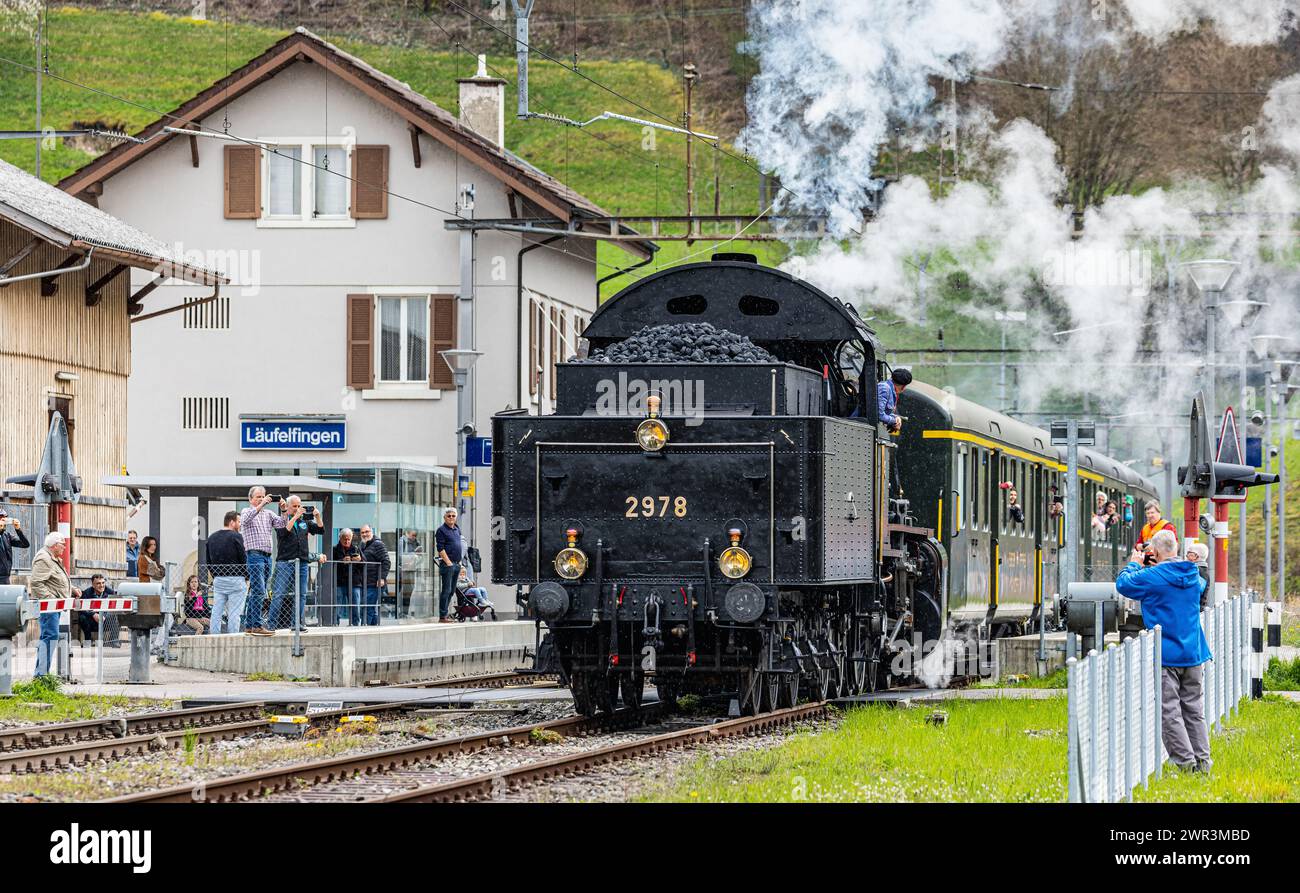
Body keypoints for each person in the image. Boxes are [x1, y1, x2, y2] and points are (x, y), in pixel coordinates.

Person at [1115, 529, 1212, 773]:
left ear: (1155, 552)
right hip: (1193, 652)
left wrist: (1135, 564)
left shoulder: (1153, 576)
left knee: (1170, 710)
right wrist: (1153, 565)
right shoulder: (1192, 573)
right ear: (1177, 549)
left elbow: (1123, 584)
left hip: (1167, 654)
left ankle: (1185, 763)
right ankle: (1203, 761)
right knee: (1193, 709)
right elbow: (1198, 586)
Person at [268, 496, 324, 632]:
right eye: (294, 506)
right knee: (279, 593)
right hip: (285, 562)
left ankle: (297, 624)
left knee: (301, 594)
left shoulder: (304, 521)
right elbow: (283, 534)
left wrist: (317, 517)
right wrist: (294, 516)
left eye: (299, 506)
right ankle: (271, 625)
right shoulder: (282, 520)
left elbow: (320, 530)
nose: (298, 509)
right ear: (287, 507)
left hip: (302, 562)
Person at [239, 486, 288, 636]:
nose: (262, 499)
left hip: (267, 556)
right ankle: (257, 625)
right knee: (259, 590)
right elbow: (246, 520)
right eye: (258, 497)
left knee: (258, 590)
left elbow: (282, 525)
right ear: (250, 499)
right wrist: (261, 505)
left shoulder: (269, 514)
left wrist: (284, 510)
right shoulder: (246, 511)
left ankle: (249, 625)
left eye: (263, 496)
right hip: (254, 555)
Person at [29, 532, 80, 677]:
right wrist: (51, 600)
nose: (64, 547)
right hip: (49, 607)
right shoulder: (44, 558)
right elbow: (37, 583)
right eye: (62, 544)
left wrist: (72, 589)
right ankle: (40, 676)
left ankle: (42, 674)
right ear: (54, 545)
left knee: (50, 636)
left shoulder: (52, 558)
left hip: (54, 606)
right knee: (50, 636)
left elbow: (56, 580)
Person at [206, 511, 248, 634]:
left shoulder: (211, 537)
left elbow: (208, 561)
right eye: (239, 522)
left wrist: (215, 575)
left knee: (216, 611)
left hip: (219, 580)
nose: (240, 525)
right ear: (231, 522)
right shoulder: (236, 537)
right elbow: (243, 558)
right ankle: (233, 638)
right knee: (234, 613)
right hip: (236, 578)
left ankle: (214, 637)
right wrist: (246, 576)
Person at [357, 525, 390, 626]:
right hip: (366, 582)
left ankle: (364, 629)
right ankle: (374, 629)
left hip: (375, 582)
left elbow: (386, 561)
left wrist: (382, 578)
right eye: (362, 532)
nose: (365, 534)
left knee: (367, 608)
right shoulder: (362, 545)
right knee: (371, 608)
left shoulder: (378, 544)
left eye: (367, 531)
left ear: (371, 532)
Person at [436, 509, 465, 623]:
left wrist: (459, 563)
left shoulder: (457, 529)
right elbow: (440, 549)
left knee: (452, 591)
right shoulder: (441, 530)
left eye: (453, 516)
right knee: (446, 590)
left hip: (457, 564)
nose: (451, 518)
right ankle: (442, 616)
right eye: (449, 516)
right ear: (445, 517)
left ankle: (445, 615)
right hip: (448, 564)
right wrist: (448, 562)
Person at [332, 528, 363, 626]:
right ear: (340, 538)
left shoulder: (356, 549)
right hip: (339, 582)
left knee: (355, 606)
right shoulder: (334, 549)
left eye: (349, 539)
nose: (347, 541)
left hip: (354, 582)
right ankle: (335, 624)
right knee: (337, 606)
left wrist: (359, 560)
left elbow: (364, 563)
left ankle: (355, 625)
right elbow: (330, 565)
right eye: (344, 539)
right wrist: (342, 561)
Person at [398, 529, 425, 618]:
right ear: (407, 533)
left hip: (413, 569)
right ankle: (401, 612)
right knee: (404, 592)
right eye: (412, 535)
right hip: (404, 570)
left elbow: (421, 556)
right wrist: (413, 555)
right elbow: (401, 556)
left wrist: (415, 559)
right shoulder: (402, 542)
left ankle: (405, 612)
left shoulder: (416, 542)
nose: (414, 537)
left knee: (409, 592)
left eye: (415, 535)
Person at [876, 368, 912, 434]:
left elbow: (884, 412)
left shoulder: (888, 388)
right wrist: (894, 421)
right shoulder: (884, 388)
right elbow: (878, 414)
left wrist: (896, 417)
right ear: (903, 387)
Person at [0, 509, 30, 585]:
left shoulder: (6, 536)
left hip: (5, 577)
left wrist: (18, 530)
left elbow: (25, 544)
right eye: (1, 518)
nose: (3, 521)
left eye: (4, 518)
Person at [1185, 541, 1211, 610]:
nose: (1186, 556)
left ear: (1196, 556)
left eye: (1189, 553)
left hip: (1194, 611)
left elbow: (1196, 590)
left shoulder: (1198, 571)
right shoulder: (1202, 571)